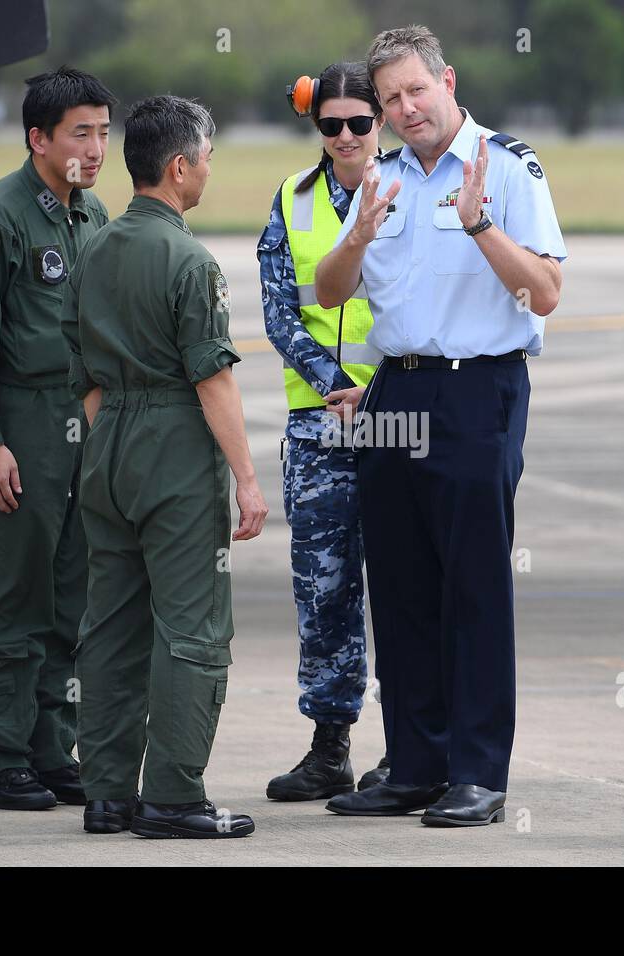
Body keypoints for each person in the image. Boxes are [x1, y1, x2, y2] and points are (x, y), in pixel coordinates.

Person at [315, 25, 566, 827]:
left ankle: (479, 772)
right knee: (401, 584)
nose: (404, 108)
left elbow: (548, 292)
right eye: (389, 98)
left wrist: (480, 225)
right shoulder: (378, 177)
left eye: (415, 90)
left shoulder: (508, 167)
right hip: (395, 392)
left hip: (474, 391)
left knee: (474, 585)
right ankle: (416, 765)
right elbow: (329, 292)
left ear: (448, 81)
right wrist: (356, 232)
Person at [62, 94, 267, 839]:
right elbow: (213, 379)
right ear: (179, 168)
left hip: (108, 439)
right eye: (207, 157)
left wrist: (115, 434)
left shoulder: (95, 250)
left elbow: (80, 371)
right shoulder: (190, 260)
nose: (210, 168)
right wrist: (245, 477)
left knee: (111, 625)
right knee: (192, 628)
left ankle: (109, 791)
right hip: (174, 448)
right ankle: (175, 796)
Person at [0, 66, 115, 811]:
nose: (98, 148)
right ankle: (0, 757)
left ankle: (52, 749)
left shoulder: (92, 216)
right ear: (38, 137)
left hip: (77, 428)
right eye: (81, 132)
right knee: (10, 594)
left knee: (70, 594)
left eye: (106, 132)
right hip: (16, 425)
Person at [258, 62, 392, 802]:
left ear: (381, 122)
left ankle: (412, 743)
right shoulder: (292, 199)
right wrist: (331, 386)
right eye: (330, 124)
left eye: (359, 123)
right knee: (324, 587)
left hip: (400, 412)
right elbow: (280, 313)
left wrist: (379, 389)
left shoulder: (413, 188)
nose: (344, 136)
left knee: (405, 582)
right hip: (320, 422)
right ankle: (329, 744)